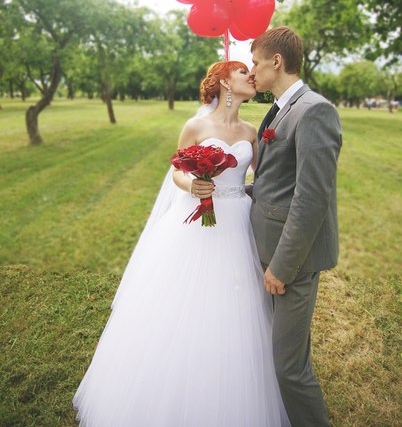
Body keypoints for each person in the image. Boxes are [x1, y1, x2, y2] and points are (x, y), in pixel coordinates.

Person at [73, 60, 290, 427]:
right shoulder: (196, 126)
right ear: (224, 81)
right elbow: (176, 170)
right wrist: (193, 185)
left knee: (237, 302)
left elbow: (262, 175)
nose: (251, 76)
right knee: (187, 298)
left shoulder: (251, 131)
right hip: (197, 222)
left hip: (239, 223)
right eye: (242, 72)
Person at [250, 26, 342, 427]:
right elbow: (276, 181)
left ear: (277, 61)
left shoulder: (314, 110)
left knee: (290, 367)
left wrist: (282, 267)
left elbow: (311, 199)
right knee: (282, 353)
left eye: (256, 63)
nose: (252, 71)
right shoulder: (279, 107)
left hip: (291, 263)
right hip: (269, 250)